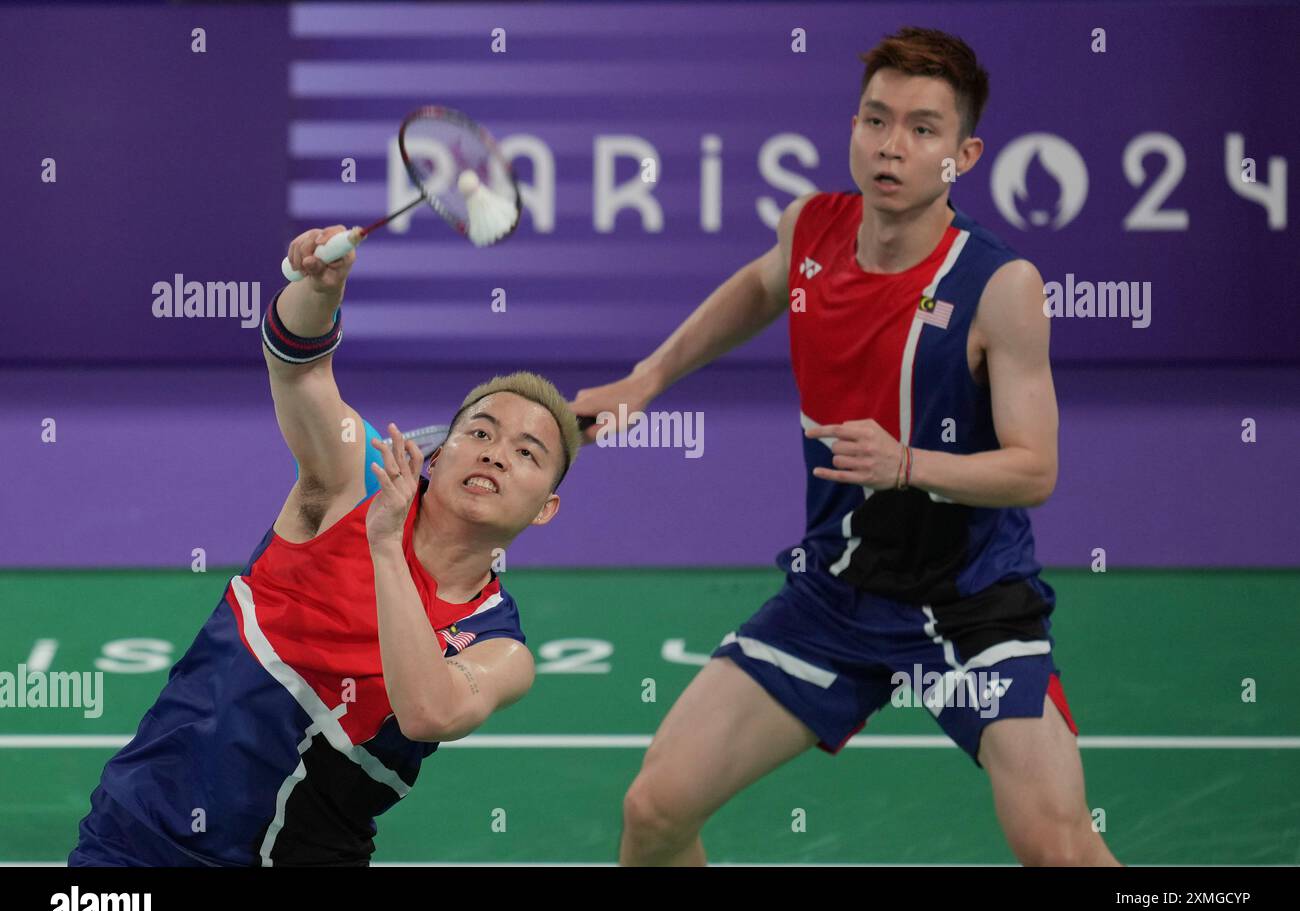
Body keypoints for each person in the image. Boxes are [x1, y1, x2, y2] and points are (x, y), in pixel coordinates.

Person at [571, 26, 1120, 866]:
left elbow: (1035, 469)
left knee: (1059, 850)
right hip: (835, 591)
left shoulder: (1001, 288)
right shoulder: (812, 230)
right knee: (655, 807)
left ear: (963, 154)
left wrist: (907, 465)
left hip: (970, 606)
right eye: (875, 120)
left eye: (922, 129)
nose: (891, 146)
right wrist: (644, 381)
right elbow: (759, 288)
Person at [69, 225, 581, 866]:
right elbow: (300, 367)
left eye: (527, 453)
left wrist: (387, 547)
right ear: (440, 450)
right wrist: (317, 289)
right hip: (141, 841)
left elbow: (426, 710)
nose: (495, 453)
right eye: (479, 430)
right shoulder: (353, 480)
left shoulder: (501, 648)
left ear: (545, 509)